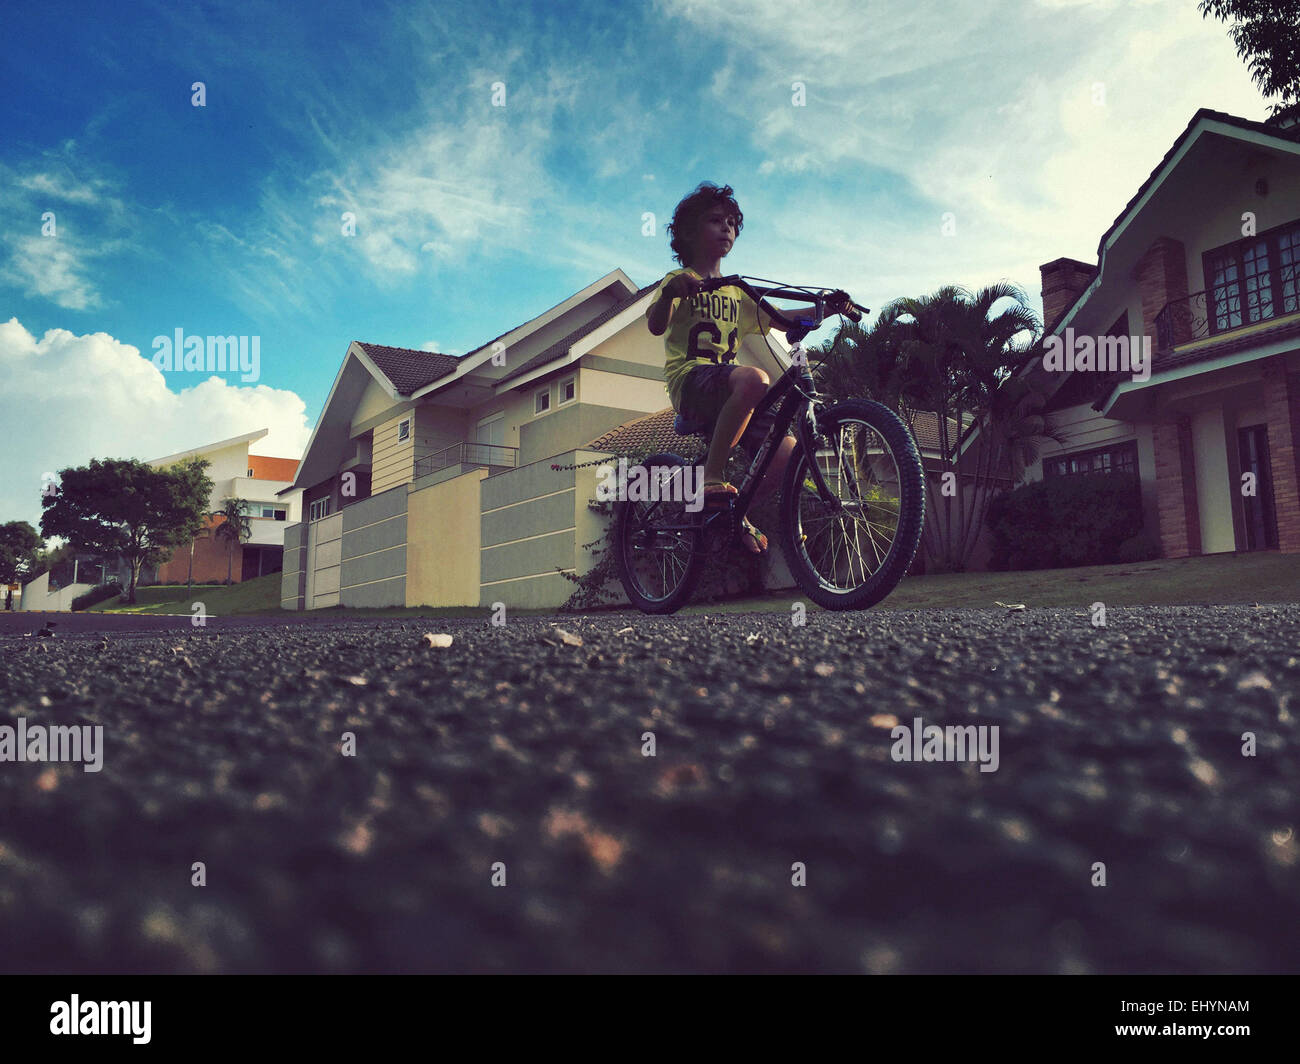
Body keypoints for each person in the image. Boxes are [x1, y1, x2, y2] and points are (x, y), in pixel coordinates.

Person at [644, 182, 793, 555]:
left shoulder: (738, 292)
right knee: (755, 377)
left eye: (731, 222)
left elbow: (781, 319)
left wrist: (829, 305)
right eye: (715, 220)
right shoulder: (678, 281)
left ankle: (734, 512)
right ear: (690, 233)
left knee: (787, 454)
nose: (726, 227)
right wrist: (670, 292)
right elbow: (655, 324)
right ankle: (712, 477)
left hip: (732, 391)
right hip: (691, 382)